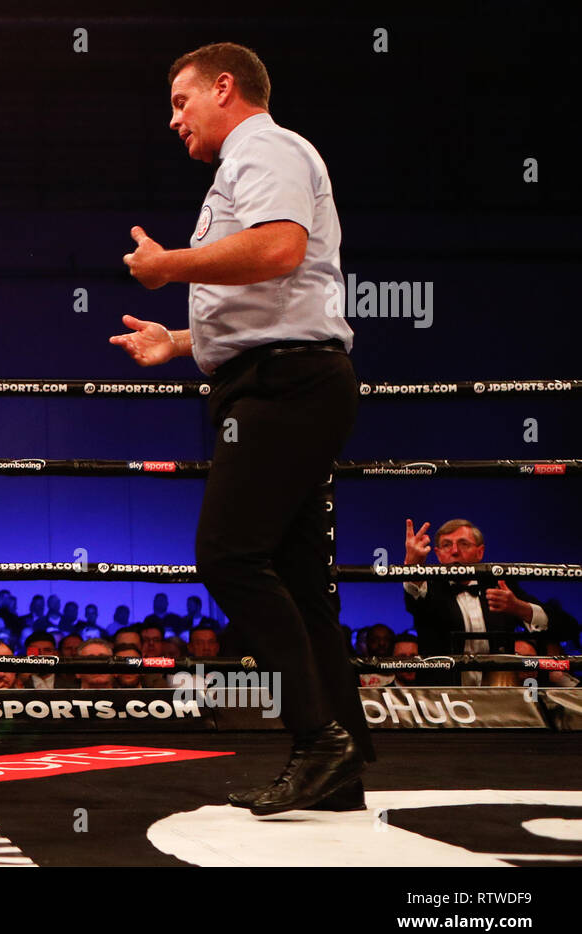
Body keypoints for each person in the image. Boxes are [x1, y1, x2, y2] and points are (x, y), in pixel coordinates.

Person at [111, 42, 370, 815]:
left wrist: (171, 267)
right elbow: (276, 298)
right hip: (276, 378)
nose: (173, 119)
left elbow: (280, 250)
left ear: (225, 88)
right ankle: (340, 760)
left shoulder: (265, 147)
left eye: (182, 101)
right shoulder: (250, 162)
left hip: (283, 388)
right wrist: (184, 341)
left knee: (227, 554)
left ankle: (321, 741)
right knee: (296, 580)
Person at [403, 518, 558, 684]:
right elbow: (415, 594)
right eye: (447, 545)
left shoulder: (500, 584)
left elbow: (563, 624)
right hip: (443, 698)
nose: (455, 551)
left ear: (480, 552)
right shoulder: (430, 587)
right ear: (438, 554)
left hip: (499, 695)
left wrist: (519, 608)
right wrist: (413, 567)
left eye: (463, 544)